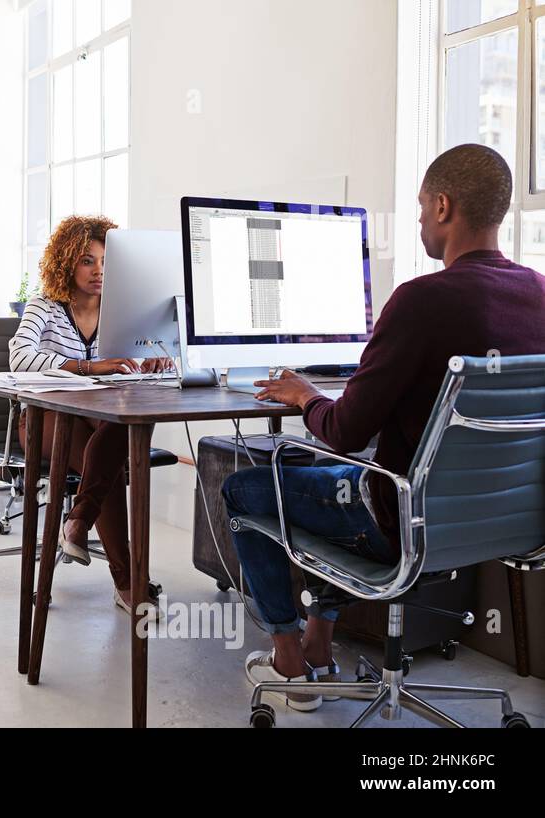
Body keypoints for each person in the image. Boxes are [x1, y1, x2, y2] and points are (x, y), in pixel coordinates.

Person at [223, 143, 545, 712]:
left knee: (246, 487)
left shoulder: (420, 300)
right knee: (314, 473)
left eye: (421, 207)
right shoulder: (540, 294)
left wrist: (306, 395)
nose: (418, 219)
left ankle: (287, 656)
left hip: (400, 524)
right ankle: (319, 642)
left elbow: (345, 430)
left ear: (443, 206)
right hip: (499, 527)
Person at [8, 215, 172, 619]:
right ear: (66, 262)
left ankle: (79, 519)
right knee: (107, 465)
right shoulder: (44, 307)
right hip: (45, 419)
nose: (98, 270)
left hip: (102, 418)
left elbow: (148, 357)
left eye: (105, 262)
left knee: (121, 429)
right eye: (87, 260)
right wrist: (89, 368)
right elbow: (20, 356)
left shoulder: (122, 310)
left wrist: (155, 359)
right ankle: (127, 582)